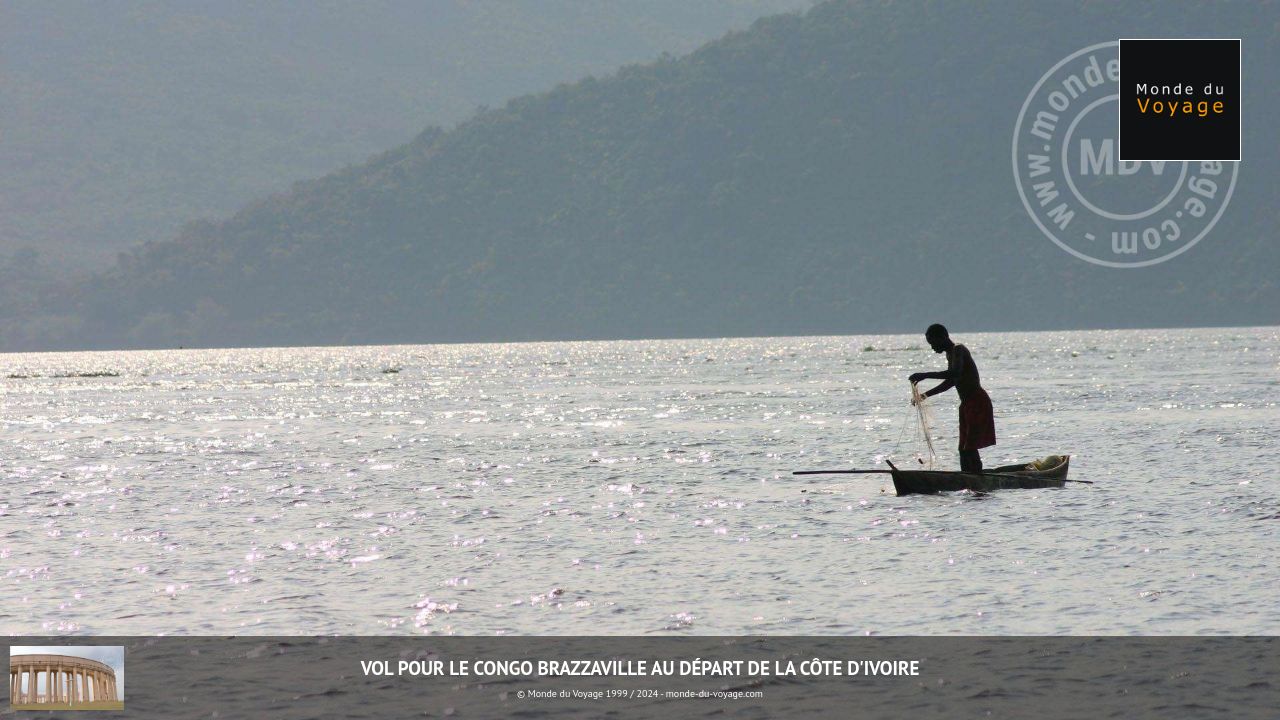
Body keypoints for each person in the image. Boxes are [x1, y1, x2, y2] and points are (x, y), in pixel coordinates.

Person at [908, 324, 995, 472]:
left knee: (970, 447)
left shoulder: (958, 349)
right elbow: (951, 382)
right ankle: (967, 478)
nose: (933, 348)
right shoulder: (950, 354)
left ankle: (976, 480)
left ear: (943, 337)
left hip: (977, 402)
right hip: (967, 404)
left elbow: (954, 373)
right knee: (963, 448)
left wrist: (924, 375)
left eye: (933, 343)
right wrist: (924, 395)